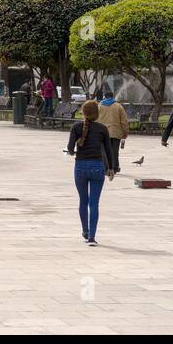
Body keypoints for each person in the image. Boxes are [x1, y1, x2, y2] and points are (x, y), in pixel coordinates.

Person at [66, 101, 114, 246]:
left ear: (83, 112)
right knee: (94, 203)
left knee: (83, 201)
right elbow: (108, 151)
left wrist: (71, 151)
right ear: (97, 114)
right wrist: (110, 168)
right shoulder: (102, 129)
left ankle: (85, 231)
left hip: (80, 167)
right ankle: (92, 236)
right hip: (97, 167)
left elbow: (70, 148)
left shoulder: (76, 127)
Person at [98, 96, 129, 174]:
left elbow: (96, 119)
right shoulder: (118, 106)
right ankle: (115, 168)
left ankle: (106, 168)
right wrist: (125, 133)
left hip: (103, 133)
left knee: (104, 151)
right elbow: (124, 121)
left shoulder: (100, 106)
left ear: (105, 97)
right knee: (114, 151)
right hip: (115, 132)